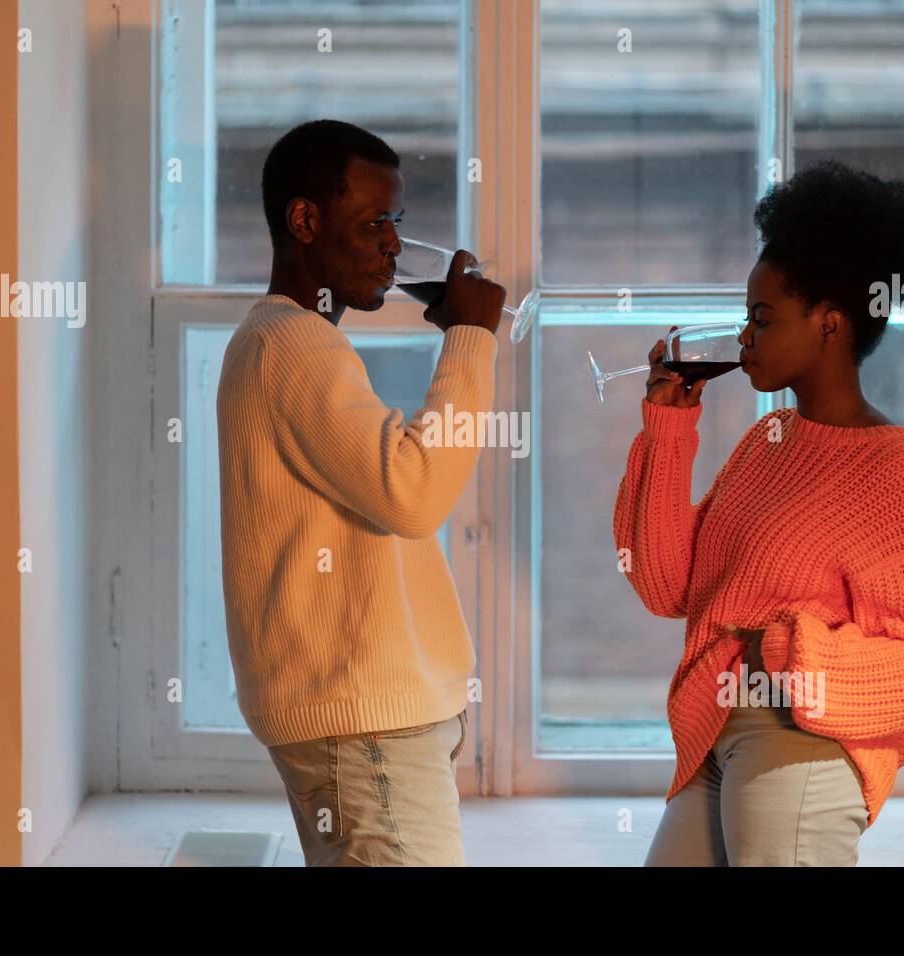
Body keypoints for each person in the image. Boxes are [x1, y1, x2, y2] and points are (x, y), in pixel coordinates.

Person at [613, 160, 904, 866]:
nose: (744, 337)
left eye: (762, 318)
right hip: (714, 728)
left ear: (830, 325)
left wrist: (786, 652)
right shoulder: (766, 442)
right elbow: (667, 586)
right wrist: (668, 431)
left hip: (802, 742)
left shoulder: (892, 473)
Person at [215, 118, 506, 866]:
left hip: (364, 728)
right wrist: (470, 340)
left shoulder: (290, 342)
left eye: (398, 224)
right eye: (374, 222)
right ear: (305, 221)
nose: (394, 247)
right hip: (364, 731)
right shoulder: (294, 343)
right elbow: (412, 491)